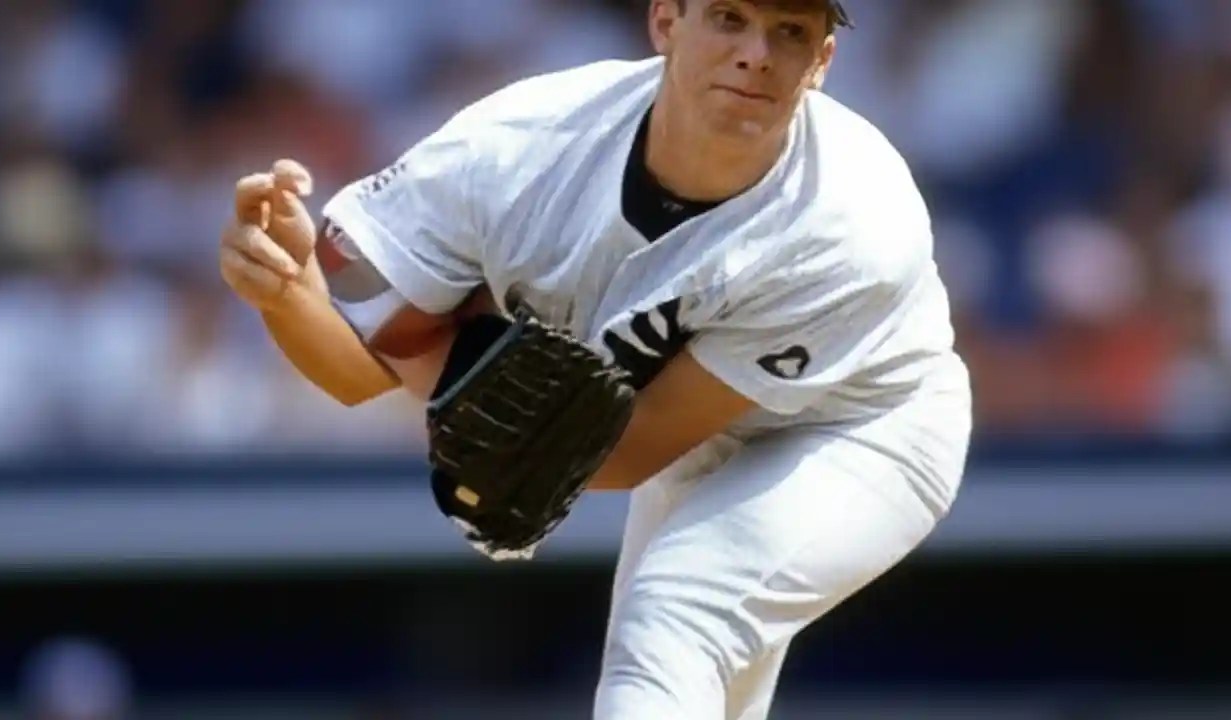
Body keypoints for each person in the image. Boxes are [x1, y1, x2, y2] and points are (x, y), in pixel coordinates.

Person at [219, 0, 973, 717]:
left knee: (677, 614)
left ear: (822, 62)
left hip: (865, 425)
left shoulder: (851, 222)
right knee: (681, 672)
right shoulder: (518, 147)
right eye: (729, 17)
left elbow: (619, 457)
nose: (756, 54)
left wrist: (462, 393)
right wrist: (288, 293)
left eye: (790, 31)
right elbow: (359, 368)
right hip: (697, 435)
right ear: (666, 21)